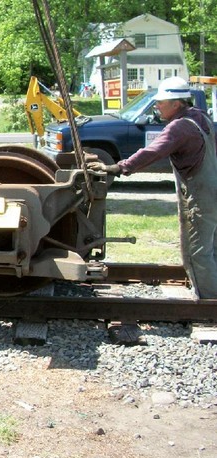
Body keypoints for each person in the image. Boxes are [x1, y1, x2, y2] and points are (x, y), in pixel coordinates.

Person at [88, 76, 217, 299]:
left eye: (161, 102)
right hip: (210, 189)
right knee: (210, 248)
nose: (157, 106)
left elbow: (151, 152)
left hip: (201, 196)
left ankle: (209, 302)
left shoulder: (179, 128)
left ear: (176, 104)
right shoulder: (200, 117)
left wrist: (118, 168)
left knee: (197, 252)